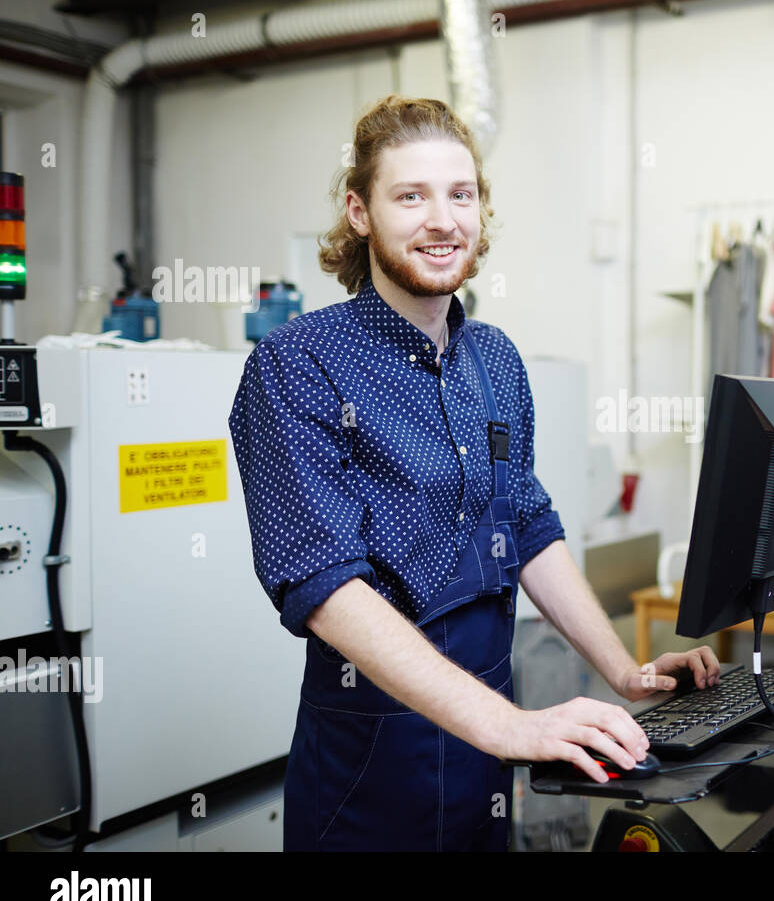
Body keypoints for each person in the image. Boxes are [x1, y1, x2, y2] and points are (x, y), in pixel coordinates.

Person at [228, 96, 719, 851]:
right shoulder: (297, 363)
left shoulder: (494, 358)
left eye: (460, 195)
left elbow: (526, 524)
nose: (442, 220)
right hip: (373, 750)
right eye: (410, 196)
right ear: (360, 213)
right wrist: (509, 725)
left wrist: (625, 673)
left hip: (488, 738)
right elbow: (322, 585)